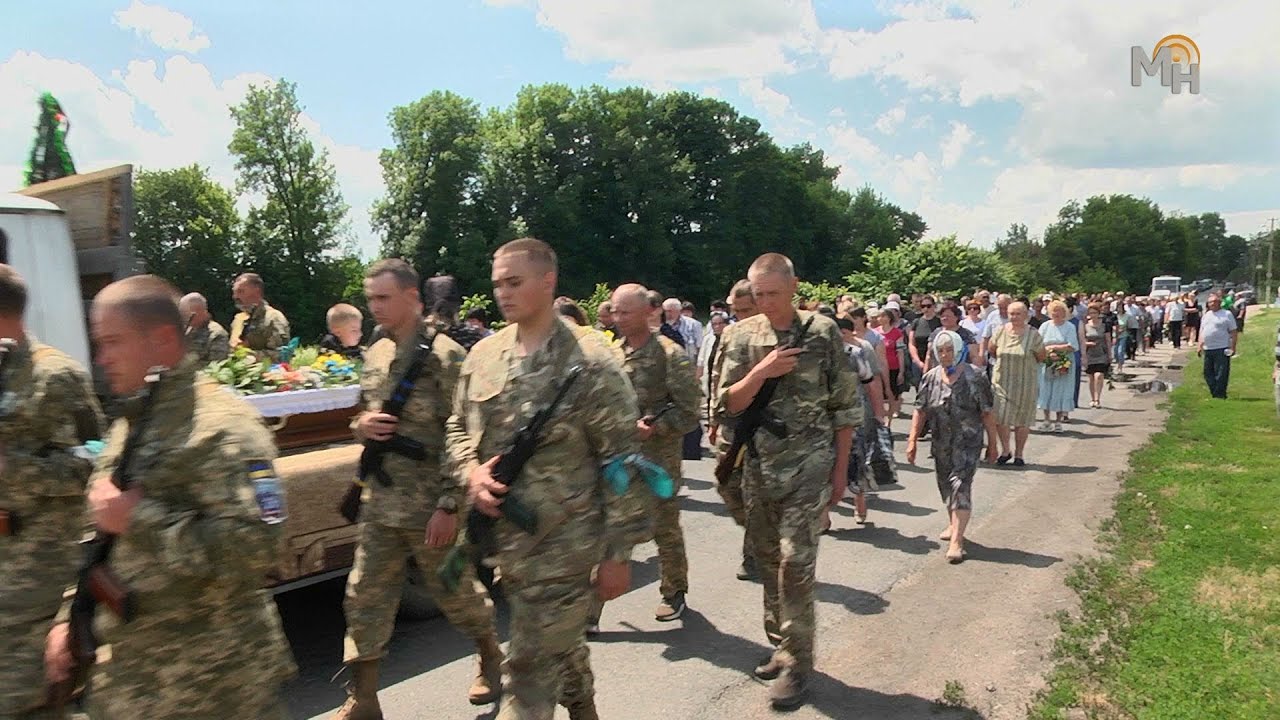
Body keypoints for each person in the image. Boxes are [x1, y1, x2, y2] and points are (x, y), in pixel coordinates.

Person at [44, 275, 296, 718]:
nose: (100, 359)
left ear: (161, 340)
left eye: (111, 342)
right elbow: (103, 542)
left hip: (215, 687)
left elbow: (260, 548)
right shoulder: (134, 420)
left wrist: (139, 518)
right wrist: (70, 617)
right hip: (132, 684)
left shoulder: (224, 428)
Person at [445, 238, 649, 720]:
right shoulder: (484, 355)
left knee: (530, 671)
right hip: (507, 542)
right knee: (561, 650)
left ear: (548, 281)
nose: (503, 293)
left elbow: (622, 463)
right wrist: (469, 472)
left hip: (567, 544)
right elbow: (456, 426)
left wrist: (619, 554)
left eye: (514, 282)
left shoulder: (593, 363)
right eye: (497, 284)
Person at [333, 260, 502, 719]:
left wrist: (450, 503)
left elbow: (469, 431)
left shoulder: (446, 356)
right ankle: (364, 698)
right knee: (364, 593)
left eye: (383, 298)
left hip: (433, 500)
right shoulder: (375, 352)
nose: (375, 308)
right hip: (382, 498)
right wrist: (361, 424)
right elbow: (360, 415)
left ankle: (489, 655)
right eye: (370, 299)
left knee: (453, 589)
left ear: (413, 298)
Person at [715, 253, 857, 710]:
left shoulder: (822, 332)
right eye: (758, 294)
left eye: (773, 293)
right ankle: (781, 644)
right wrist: (761, 372)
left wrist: (840, 476)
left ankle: (799, 663)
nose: (766, 302)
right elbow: (726, 407)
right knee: (768, 559)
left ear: (793, 287)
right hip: (758, 466)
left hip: (811, 462)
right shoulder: (738, 336)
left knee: (796, 563)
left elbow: (846, 408)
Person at [0, 265, 103, 720]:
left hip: (36, 575)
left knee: (30, 702)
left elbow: (95, 460)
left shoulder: (54, 375)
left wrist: (13, 467)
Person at [587, 284, 699, 632]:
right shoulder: (611, 354)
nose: (619, 319)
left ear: (648, 313)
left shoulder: (670, 355)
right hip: (615, 460)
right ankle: (593, 606)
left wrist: (657, 426)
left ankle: (674, 592)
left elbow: (691, 412)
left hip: (657, 461)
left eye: (626, 313)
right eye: (615, 312)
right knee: (608, 531)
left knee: (664, 528)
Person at [906, 331, 997, 563]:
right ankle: (953, 523)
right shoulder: (931, 378)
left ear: (959, 351)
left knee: (961, 486)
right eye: (941, 351)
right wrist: (912, 441)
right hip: (940, 443)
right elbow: (920, 409)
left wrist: (993, 445)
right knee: (946, 485)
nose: (945, 355)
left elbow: (987, 413)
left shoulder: (975, 376)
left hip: (968, 443)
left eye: (950, 350)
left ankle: (957, 541)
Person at [709, 280, 761, 582]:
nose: (741, 316)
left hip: (765, 425)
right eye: (736, 311)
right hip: (732, 422)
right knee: (727, 485)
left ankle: (753, 554)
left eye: (746, 310)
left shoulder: (775, 333)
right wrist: (714, 420)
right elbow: (717, 376)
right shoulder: (729, 333)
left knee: (755, 491)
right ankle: (761, 536)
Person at [836, 315, 887, 525]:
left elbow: (871, 383)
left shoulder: (856, 353)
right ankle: (822, 516)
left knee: (856, 457)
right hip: (826, 417)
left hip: (855, 413)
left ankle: (859, 503)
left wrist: (878, 412)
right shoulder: (818, 356)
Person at [990, 301, 1046, 466]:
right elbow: (992, 349)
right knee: (1001, 417)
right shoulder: (1001, 331)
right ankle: (1006, 450)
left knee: (1022, 419)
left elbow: (1041, 356)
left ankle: (1019, 454)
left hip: (1025, 383)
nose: (1014, 317)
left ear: (1026, 315)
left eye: (1018, 314)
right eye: (1011, 314)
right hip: (1002, 381)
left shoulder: (1033, 334)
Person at [1037, 300, 1080, 432]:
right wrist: (1048, 352)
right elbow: (1038, 343)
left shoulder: (1069, 327)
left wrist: (1055, 348)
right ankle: (1046, 420)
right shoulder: (1045, 326)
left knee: (1061, 389)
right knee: (1046, 389)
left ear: (1064, 312)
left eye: (1059, 311)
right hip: (1047, 361)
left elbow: (1072, 346)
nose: (1056, 313)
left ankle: (1058, 421)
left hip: (1063, 362)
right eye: (1053, 311)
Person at [229, 272, 291, 360]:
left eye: (241, 291)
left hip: (266, 372)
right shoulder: (238, 319)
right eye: (234, 292)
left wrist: (246, 354)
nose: (235, 296)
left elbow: (282, 354)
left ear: (257, 291)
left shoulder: (273, 317)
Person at [1198, 293, 1238, 399]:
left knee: (1221, 373)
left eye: (1215, 302)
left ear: (1220, 303)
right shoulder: (1206, 315)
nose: (1213, 304)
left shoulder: (1227, 314)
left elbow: (1233, 331)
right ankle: (1214, 391)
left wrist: (1233, 347)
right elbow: (1202, 331)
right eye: (1210, 302)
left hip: (1222, 347)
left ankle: (1220, 394)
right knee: (1207, 373)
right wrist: (1199, 345)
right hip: (1208, 348)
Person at [872, 307, 907, 427]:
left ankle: (889, 420)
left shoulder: (897, 333)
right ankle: (880, 417)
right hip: (878, 368)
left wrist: (901, 371)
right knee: (879, 395)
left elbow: (901, 352)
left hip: (893, 367)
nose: (880, 318)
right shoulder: (875, 332)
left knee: (892, 394)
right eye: (879, 316)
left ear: (889, 318)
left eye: (883, 316)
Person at [178, 292, 229, 363]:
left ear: (198, 312)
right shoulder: (187, 330)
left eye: (186, 314)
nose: (183, 318)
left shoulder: (216, 335)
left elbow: (216, 366)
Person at [1083, 303, 1111, 408]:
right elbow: (1082, 340)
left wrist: (1110, 354)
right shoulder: (1085, 326)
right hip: (1090, 354)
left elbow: (1108, 340)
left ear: (1098, 313)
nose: (1092, 315)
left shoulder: (1104, 325)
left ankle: (1098, 398)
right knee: (1091, 378)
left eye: (1094, 313)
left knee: (1098, 375)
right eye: (1090, 313)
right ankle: (1092, 398)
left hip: (1101, 353)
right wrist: (1087, 344)